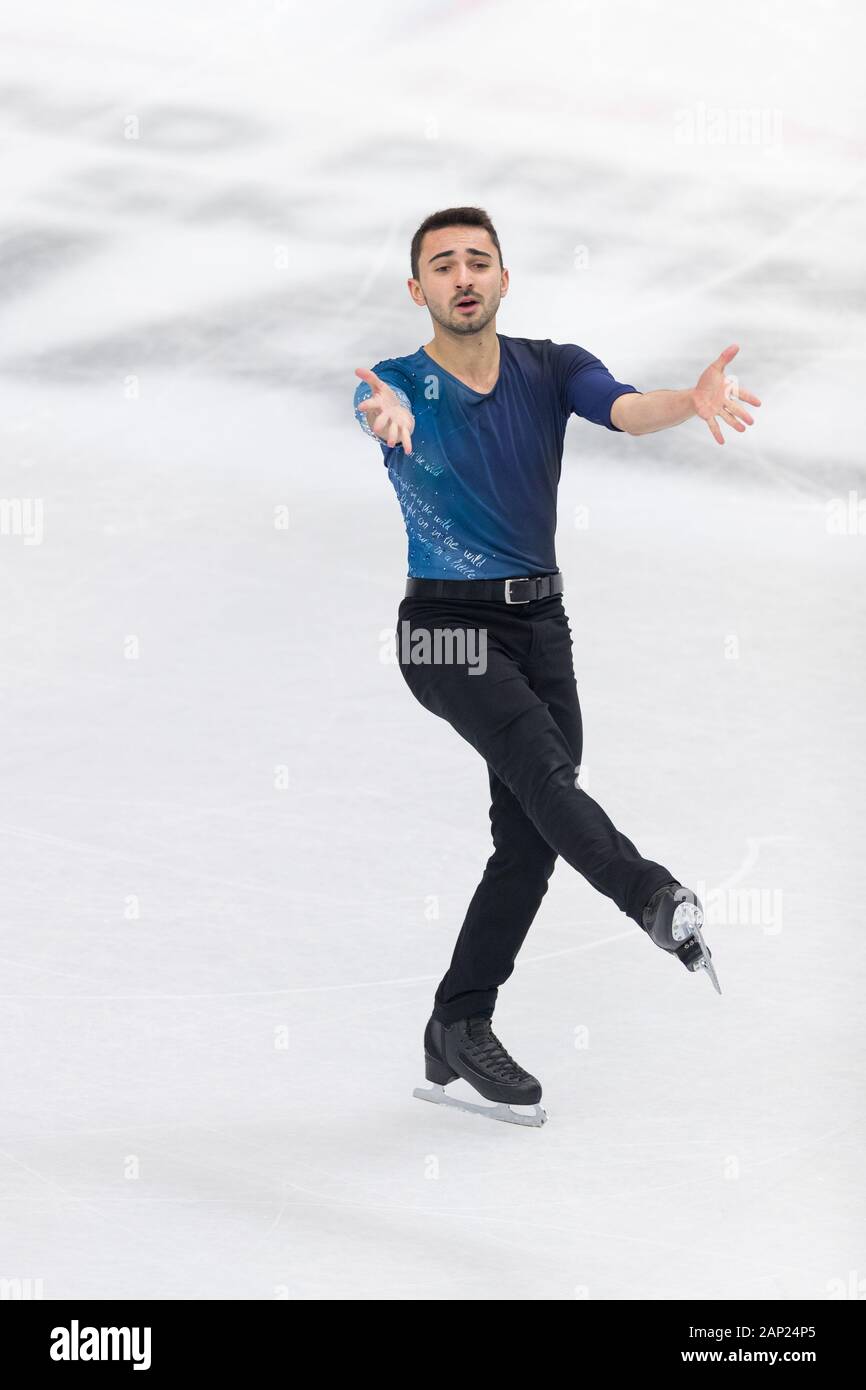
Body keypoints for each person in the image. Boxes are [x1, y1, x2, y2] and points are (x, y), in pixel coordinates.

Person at [353, 206, 759, 1124]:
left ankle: (457, 1023)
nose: (464, 276)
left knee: (531, 834)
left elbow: (621, 407)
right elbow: (387, 419)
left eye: (479, 261)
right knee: (542, 769)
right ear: (418, 290)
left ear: (503, 278)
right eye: (444, 265)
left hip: (541, 624)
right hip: (441, 630)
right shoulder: (395, 385)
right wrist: (389, 421)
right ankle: (653, 896)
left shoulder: (550, 366)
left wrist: (688, 404)